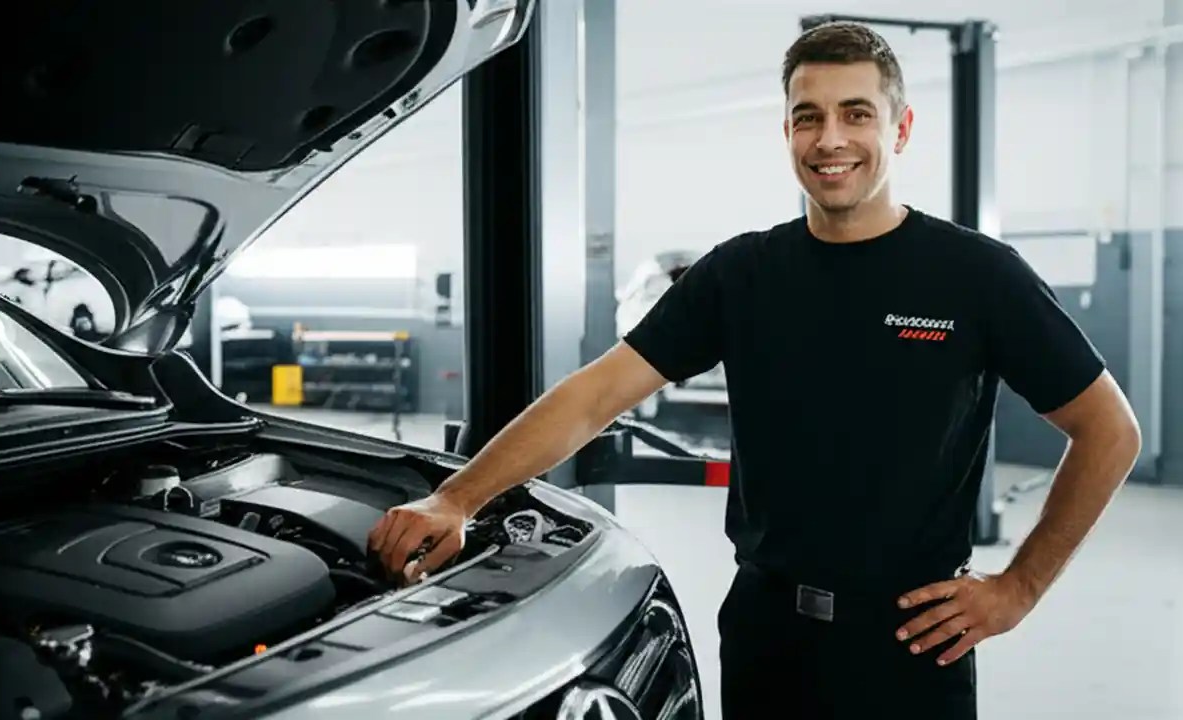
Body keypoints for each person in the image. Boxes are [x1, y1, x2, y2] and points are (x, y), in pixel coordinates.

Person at [368, 21, 1143, 719]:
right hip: (764, 633)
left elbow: (1108, 429)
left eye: (856, 113)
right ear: (787, 133)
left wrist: (1020, 588)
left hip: (906, 645)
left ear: (900, 129)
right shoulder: (742, 274)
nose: (830, 138)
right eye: (808, 117)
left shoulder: (976, 277)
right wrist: (457, 498)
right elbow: (595, 394)